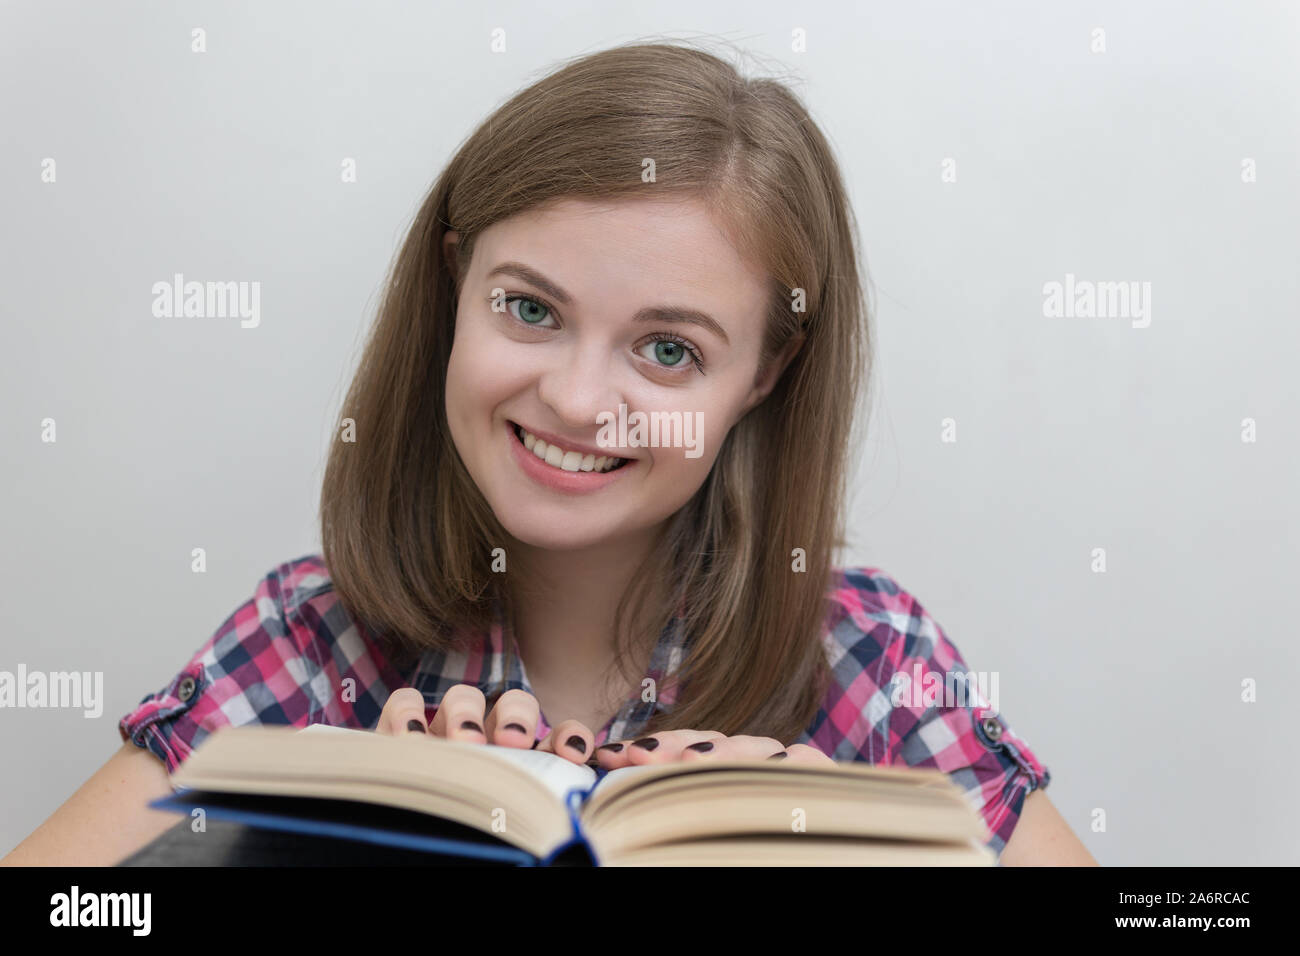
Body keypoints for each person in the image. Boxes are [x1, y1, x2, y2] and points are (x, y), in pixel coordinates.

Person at [2, 39, 1095, 866]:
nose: (576, 398)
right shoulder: (311, 639)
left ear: (764, 373)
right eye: (528, 309)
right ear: (454, 288)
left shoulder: (868, 658)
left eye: (668, 349)